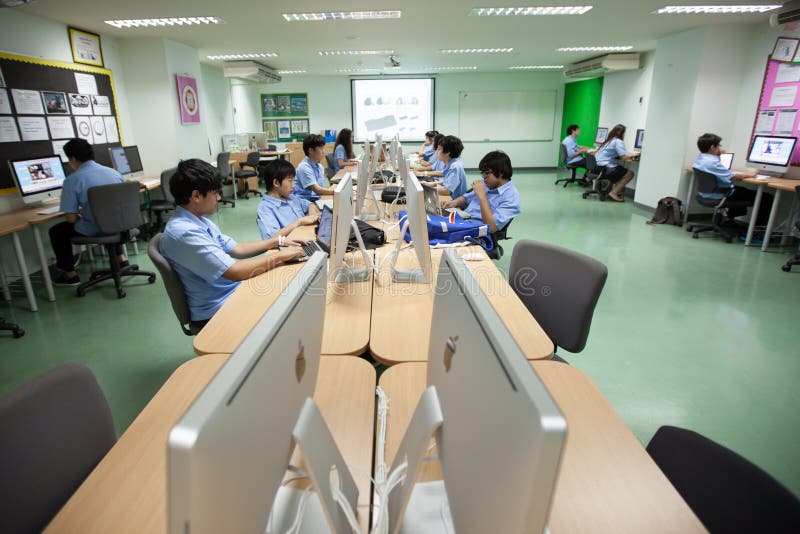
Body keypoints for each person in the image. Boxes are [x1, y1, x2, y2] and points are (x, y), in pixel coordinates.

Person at [159, 159, 304, 329]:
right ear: (196, 196)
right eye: (215, 193)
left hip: (231, 292)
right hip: (218, 308)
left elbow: (237, 249)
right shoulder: (185, 232)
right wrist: (281, 255)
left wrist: (275, 242)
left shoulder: (199, 220)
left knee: (291, 283)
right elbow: (235, 272)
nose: (219, 198)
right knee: (293, 296)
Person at [49, 138, 127, 286]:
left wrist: (81, 214)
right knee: (110, 218)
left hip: (95, 229)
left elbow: (71, 219)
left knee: (57, 232)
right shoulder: (114, 173)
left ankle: (70, 275)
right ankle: (121, 259)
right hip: (120, 225)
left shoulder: (72, 180)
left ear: (72, 158)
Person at [693, 133, 772, 224]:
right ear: (712, 147)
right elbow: (734, 177)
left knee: (742, 190)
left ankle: (730, 220)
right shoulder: (713, 162)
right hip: (719, 195)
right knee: (766, 197)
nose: (720, 148)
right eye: (718, 146)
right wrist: (750, 175)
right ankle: (758, 230)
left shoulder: (700, 159)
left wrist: (718, 155)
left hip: (704, 194)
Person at [442, 150, 520, 233]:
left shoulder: (511, 197)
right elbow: (466, 198)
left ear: (500, 173)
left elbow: (491, 228)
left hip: (477, 232)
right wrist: (454, 202)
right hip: (462, 222)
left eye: (487, 173)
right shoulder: (486, 183)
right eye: (482, 173)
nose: (483, 177)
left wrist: (482, 197)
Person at [257, 159, 321, 239]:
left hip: (306, 236)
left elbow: (309, 204)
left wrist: (311, 214)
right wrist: (300, 221)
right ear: (276, 183)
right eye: (290, 181)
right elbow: (271, 239)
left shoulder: (290, 197)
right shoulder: (266, 208)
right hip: (290, 247)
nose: (293, 185)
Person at [594, 124, 636, 202]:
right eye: (624, 133)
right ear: (621, 133)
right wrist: (633, 155)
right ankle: (614, 193)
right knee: (630, 174)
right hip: (605, 168)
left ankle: (614, 190)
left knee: (620, 169)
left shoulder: (608, 140)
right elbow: (624, 157)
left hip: (597, 166)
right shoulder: (618, 141)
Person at [293, 134, 334, 201]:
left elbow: (321, 189)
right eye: (321, 149)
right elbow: (317, 190)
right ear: (311, 150)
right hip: (305, 202)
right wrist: (337, 191)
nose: (324, 152)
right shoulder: (304, 167)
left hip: (316, 198)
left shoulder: (319, 166)